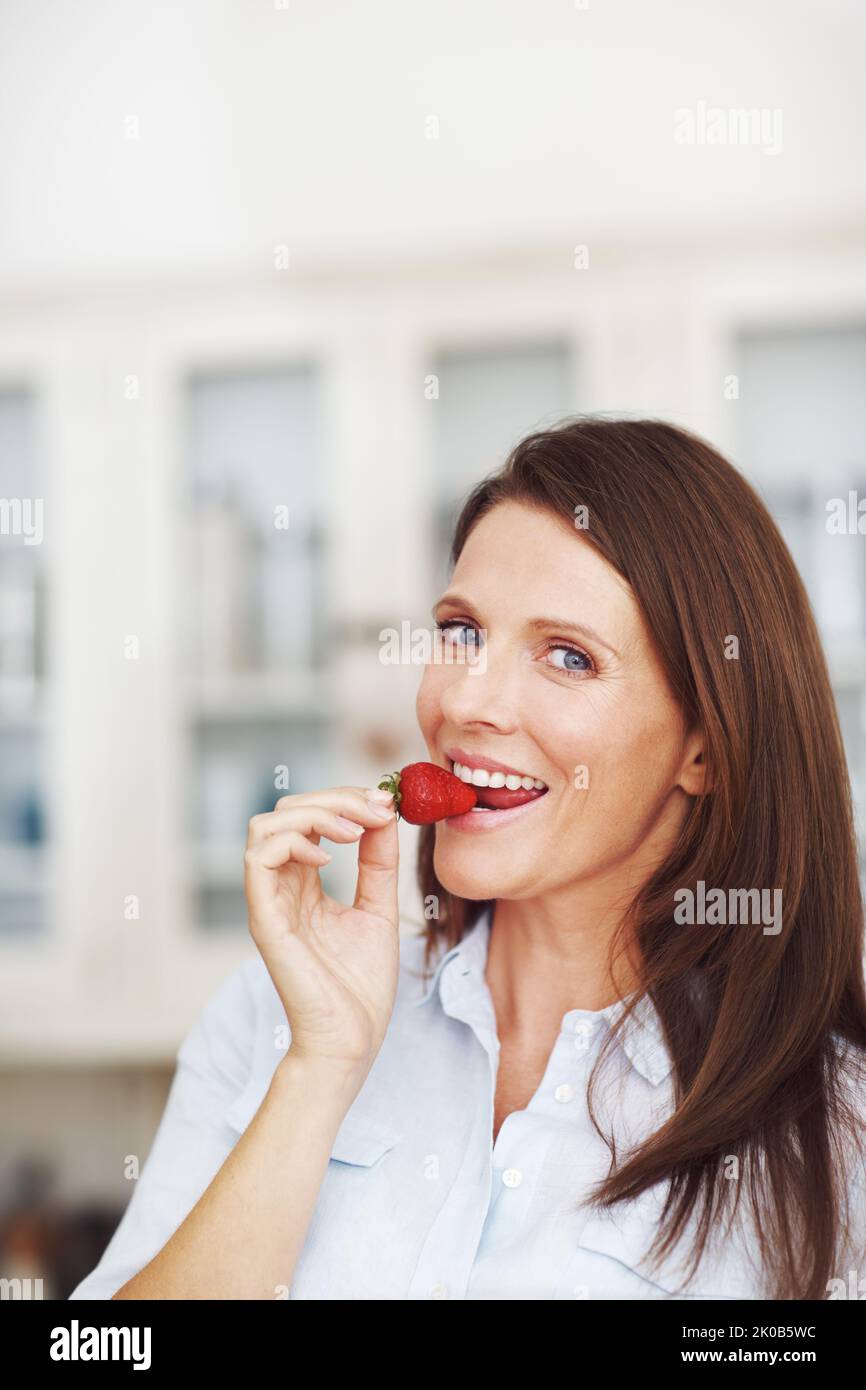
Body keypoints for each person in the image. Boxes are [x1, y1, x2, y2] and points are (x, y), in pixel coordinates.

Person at [69, 417, 866, 1301]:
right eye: (460, 632)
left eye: (568, 657)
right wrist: (321, 1068)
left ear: (705, 750)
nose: (469, 699)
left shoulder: (836, 1131)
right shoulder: (273, 1016)